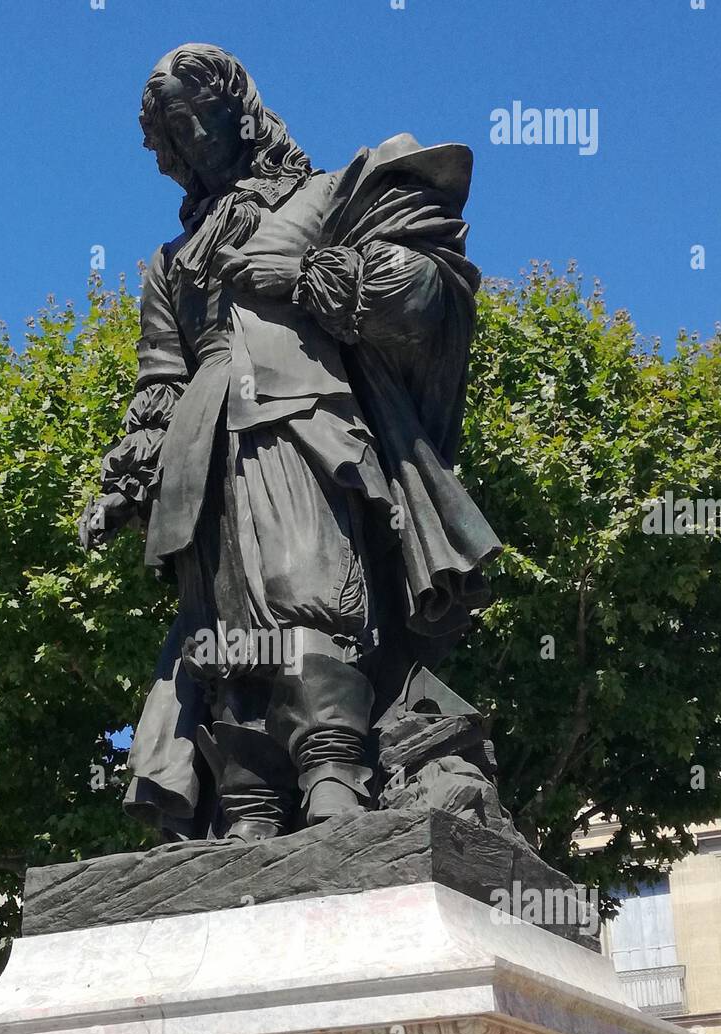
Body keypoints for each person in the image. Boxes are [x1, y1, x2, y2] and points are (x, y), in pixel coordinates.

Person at [81, 43, 500, 842]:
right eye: (171, 130)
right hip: (199, 458)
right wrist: (128, 482)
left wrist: (310, 274)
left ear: (236, 106)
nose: (187, 138)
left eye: (194, 116)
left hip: (303, 421)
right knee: (224, 627)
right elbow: (159, 382)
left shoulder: (325, 198)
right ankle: (250, 807)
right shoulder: (170, 264)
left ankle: (335, 778)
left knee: (311, 590)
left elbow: (425, 288)